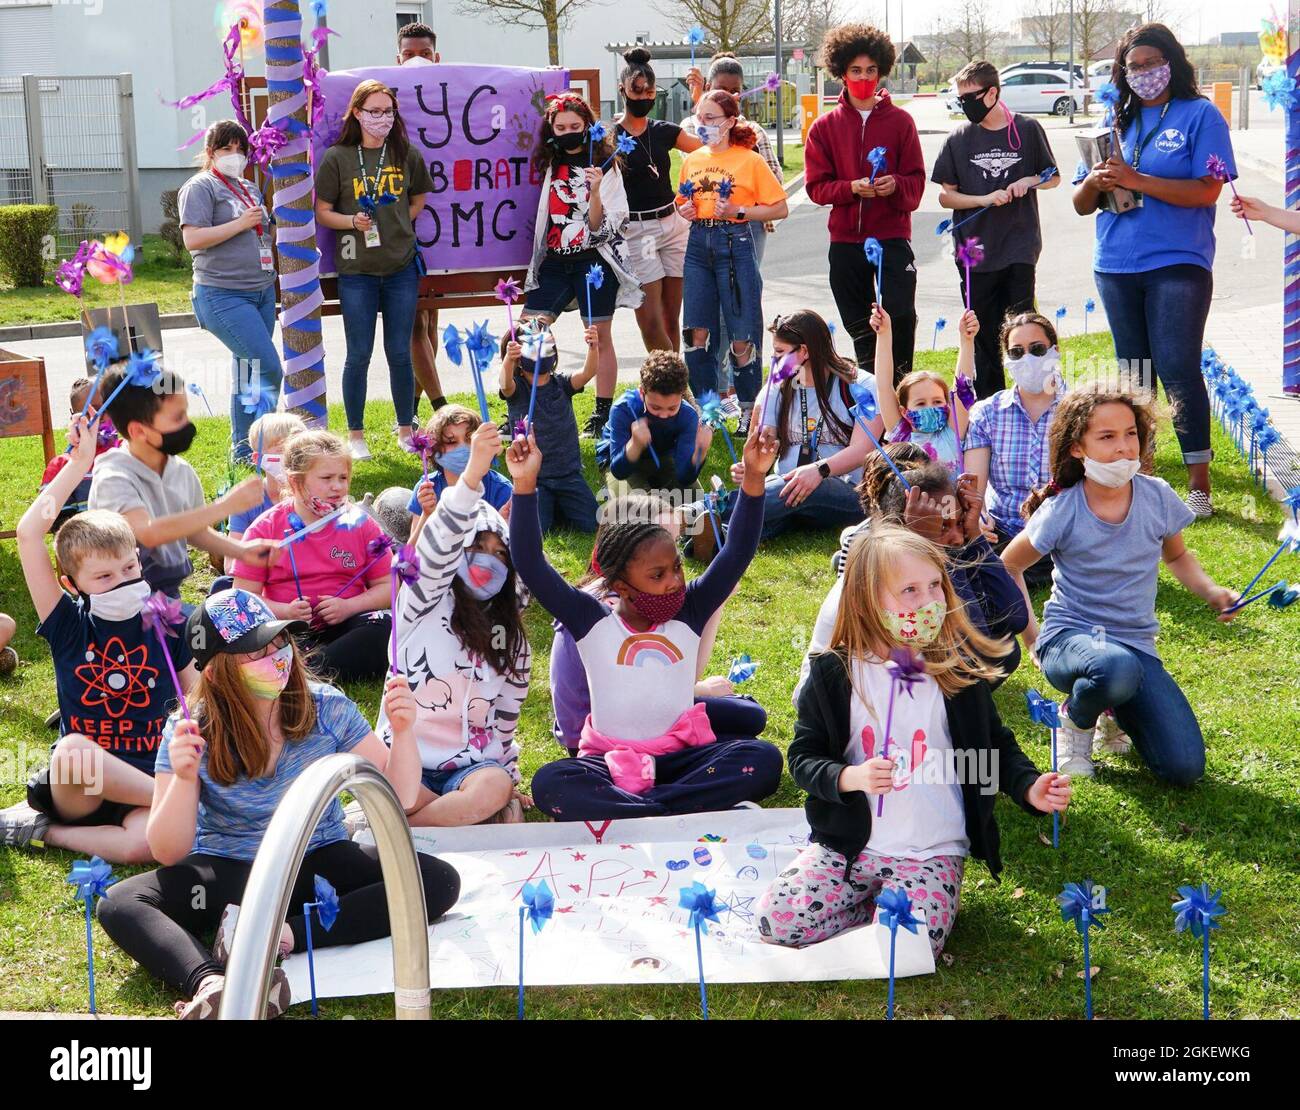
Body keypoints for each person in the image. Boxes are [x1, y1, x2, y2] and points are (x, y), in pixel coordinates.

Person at [94, 589, 460, 1019]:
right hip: (230, 871)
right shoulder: (188, 729)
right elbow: (168, 850)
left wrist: (402, 732)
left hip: (318, 860)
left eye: (277, 642)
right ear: (215, 673)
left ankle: (283, 936)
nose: (276, 657)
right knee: (119, 902)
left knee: (435, 881)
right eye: (255, 652)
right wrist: (185, 777)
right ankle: (210, 982)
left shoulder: (325, 706)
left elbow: (399, 797)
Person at [755, 523, 1070, 952]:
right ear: (867, 600)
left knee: (909, 944)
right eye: (909, 591)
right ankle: (867, 906)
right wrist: (852, 777)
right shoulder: (834, 672)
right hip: (849, 845)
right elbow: (804, 758)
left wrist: (1028, 786)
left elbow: (994, 745)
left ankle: (899, 905)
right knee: (777, 922)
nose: (929, 601)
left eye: (935, 586)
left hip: (929, 847)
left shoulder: (955, 669)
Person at [509, 421, 785, 819]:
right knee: (553, 783)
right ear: (619, 584)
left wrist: (755, 477)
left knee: (761, 758)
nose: (675, 581)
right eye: (657, 575)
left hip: (682, 757)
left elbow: (737, 552)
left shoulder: (690, 608)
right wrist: (524, 485)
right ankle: (675, 805)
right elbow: (531, 563)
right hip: (609, 762)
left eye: (676, 567)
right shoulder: (591, 619)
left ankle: (646, 808)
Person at [1001, 386, 1239, 783]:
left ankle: (1112, 710)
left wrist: (1212, 592)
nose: (1124, 447)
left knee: (1183, 768)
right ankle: (1074, 721)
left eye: (1131, 434)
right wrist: (1032, 638)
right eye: (1107, 437)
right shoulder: (1063, 508)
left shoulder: (1157, 495)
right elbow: (1008, 566)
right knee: (1114, 668)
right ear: (1077, 447)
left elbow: (1177, 556)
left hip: (1134, 646)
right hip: (1071, 640)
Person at [1, 417, 196, 860]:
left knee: (156, 843)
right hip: (83, 787)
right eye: (104, 577)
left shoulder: (169, 619)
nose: (122, 581)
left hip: (149, 773)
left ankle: (45, 832)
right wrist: (79, 462)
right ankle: (178, 800)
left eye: (129, 569)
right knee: (70, 751)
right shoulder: (68, 622)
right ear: (72, 584)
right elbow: (31, 533)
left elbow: (197, 695)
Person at [1072, 23, 1231, 518]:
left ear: (1172, 63)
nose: (1143, 74)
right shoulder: (1113, 119)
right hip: (1115, 264)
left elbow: (1208, 189)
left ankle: (1199, 490)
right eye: (1133, 67)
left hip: (1178, 261)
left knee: (1177, 367)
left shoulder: (1200, 114)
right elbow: (1080, 204)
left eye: (1151, 63)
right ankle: (1143, 475)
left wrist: (1137, 178)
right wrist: (1097, 182)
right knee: (1134, 374)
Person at [375, 420, 532, 826]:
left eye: (500, 554)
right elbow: (438, 540)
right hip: (404, 759)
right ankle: (443, 818)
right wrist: (473, 474)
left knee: (495, 789)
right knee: (406, 791)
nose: (487, 560)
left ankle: (406, 829)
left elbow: (504, 722)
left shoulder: (511, 641)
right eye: (476, 547)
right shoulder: (419, 602)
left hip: (468, 771)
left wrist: (509, 777)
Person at [796, 445, 1028, 703]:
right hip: (840, 699)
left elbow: (1016, 617)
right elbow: (965, 649)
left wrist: (974, 536)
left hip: (901, 681)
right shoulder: (880, 565)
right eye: (941, 526)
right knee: (973, 664)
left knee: (1005, 649)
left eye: (959, 522)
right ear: (905, 525)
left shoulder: (951, 543)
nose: (955, 537)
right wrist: (931, 549)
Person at [549, 491, 764, 755]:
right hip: (604, 740)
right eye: (662, 540)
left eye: (674, 542)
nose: (669, 551)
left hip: (596, 726)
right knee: (746, 729)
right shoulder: (617, 610)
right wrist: (702, 689)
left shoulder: (617, 592)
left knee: (749, 715)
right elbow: (673, 679)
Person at [315, 79, 433, 460]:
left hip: (401, 268)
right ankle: (356, 434)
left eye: (388, 111)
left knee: (400, 351)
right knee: (359, 353)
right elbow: (322, 211)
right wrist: (352, 223)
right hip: (357, 271)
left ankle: (404, 428)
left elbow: (419, 198)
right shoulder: (338, 157)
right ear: (357, 113)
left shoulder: (405, 153)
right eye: (374, 111)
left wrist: (399, 221)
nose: (382, 118)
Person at [89, 364, 277, 599]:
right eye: (178, 417)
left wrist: (242, 551)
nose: (187, 424)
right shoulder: (113, 475)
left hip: (167, 595)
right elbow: (148, 533)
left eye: (185, 412)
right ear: (138, 431)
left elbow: (194, 530)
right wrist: (225, 506)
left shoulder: (180, 470)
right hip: (119, 602)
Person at [932, 61, 1060, 399]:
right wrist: (984, 197)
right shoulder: (958, 138)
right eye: (960, 99)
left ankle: (1033, 399)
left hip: (1019, 247)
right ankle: (991, 407)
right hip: (974, 254)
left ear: (992, 93)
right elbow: (946, 195)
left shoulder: (1028, 130)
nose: (965, 105)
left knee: (1024, 332)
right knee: (984, 336)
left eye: (970, 97)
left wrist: (1028, 180)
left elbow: (1052, 177)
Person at [805, 23, 925, 379]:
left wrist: (895, 185)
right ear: (841, 72)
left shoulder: (901, 122)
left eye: (871, 70)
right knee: (859, 324)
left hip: (892, 237)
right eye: (856, 70)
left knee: (900, 317)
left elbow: (916, 185)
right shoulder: (824, 128)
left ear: (882, 71)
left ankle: (904, 392)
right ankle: (872, 389)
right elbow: (816, 187)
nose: (864, 77)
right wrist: (851, 188)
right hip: (845, 241)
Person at [523, 91, 642, 440]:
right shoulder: (547, 164)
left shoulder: (607, 166)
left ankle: (602, 413)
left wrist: (594, 192)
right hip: (556, 262)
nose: (568, 132)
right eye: (561, 127)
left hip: (594, 260)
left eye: (575, 126)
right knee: (529, 331)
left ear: (588, 127)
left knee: (598, 337)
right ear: (551, 129)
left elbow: (601, 229)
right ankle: (524, 406)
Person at [232, 430, 393, 683]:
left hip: (346, 627)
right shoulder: (265, 529)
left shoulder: (363, 525)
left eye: (343, 477)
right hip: (285, 629)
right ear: (295, 482)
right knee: (243, 631)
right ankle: (305, 669)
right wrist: (285, 611)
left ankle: (304, 674)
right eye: (327, 478)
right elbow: (243, 597)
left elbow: (388, 586)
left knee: (386, 625)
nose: (338, 486)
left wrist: (349, 606)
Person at [677, 90, 789, 423]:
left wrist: (741, 211)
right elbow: (682, 199)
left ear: (729, 121)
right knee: (696, 331)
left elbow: (779, 206)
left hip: (735, 242)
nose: (703, 124)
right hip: (699, 241)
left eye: (710, 118)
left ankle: (747, 410)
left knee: (742, 334)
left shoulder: (749, 159)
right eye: (699, 117)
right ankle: (707, 409)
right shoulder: (692, 160)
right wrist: (682, 209)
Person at [723, 309, 877, 546]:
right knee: (777, 512)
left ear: (804, 351)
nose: (774, 362)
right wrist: (751, 468)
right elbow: (764, 439)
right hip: (788, 487)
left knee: (801, 486)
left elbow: (863, 449)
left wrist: (818, 471)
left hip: (850, 491)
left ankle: (694, 514)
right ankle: (714, 535)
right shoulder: (778, 384)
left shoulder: (861, 385)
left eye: (780, 353)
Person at [180, 119, 282, 461]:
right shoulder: (201, 187)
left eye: (241, 149)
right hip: (222, 293)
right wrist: (241, 223)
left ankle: (243, 451)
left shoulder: (249, 188)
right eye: (227, 148)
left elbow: (261, 235)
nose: (235, 155)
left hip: (261, 290)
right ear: (211, 153)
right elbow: (193, 239)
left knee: (248, 370)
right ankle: (267, 446)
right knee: (268, 367)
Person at [964, 312, 1065, 588]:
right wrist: (980, 518)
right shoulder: (987, 413)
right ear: (1007, 361)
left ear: (1055, 351)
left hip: (1065, 531)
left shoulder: (1081, 409)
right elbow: (974, 487)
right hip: (1004, 532)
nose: (1027, 358)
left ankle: (1005, 573)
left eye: (1037, 349)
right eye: (1017, 352)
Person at [615, 48, 701, 353]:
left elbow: (709, 149)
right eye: (636, 90)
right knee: (650, 322)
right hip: (640, 232)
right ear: (622, 89)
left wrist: (700, 99)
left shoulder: (664, 131)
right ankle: (671, 380)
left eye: (650, 91)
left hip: (674, 225)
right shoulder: (611, 138)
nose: (643, 97)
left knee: (670, 319)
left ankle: (672, 391)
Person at [499, 321, 600, 533]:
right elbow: (505, 384)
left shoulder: (562, 384)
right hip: (535, 479)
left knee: (592, 524)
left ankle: (561, 508)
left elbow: (588, 372)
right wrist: (509, 359)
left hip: (568, 474)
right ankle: (552, 509)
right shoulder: (518, 391)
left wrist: (593, 347)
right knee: (537, 529)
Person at [396, 21, 447, 417]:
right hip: (402, 231)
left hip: (447, 229)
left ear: (437, 58)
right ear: (398, 60)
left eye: (424, 55)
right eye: (409, 55)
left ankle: (412, 409)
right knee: (415, 325)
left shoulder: (452, 97)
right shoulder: (387, 104)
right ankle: (439, 407)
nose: (416, 61)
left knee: (429, 324)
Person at [872, 304, 974, 476]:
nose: (930, 407)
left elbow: (963, 385)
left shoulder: (952, 432)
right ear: (904, 411)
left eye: (937, 401)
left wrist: (967, 341)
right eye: (920, 403)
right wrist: (884, 333)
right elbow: (883, 386)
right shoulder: (901, 436)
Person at [595, 350, 709, 499]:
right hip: (621, 459)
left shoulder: (688, 415)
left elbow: (684, 478)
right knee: (638, 510)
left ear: (682, 396)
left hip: (663, 456)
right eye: (655, 407)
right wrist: (635, 444)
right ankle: (615, 488)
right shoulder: (623, 409)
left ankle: (655, 488)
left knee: (696, 501)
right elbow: (619, 470)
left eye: (672, 408)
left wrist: (700, 451)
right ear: (642, 393)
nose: (663, 415)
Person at [408, 404, 513, 544]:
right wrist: (427, 515)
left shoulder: (502, 490)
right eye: (451, 441)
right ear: (432, 450)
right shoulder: (426, 489)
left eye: (470, 439)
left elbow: (514, 551)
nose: (464, 447)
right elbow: (411, 555)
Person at [223, 411, 307, 568]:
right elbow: (230, 565)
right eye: (281, 450)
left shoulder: (312, 497)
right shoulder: (246, 501)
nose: (289, 458)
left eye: (297, 451)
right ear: (258, 459)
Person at [40, 376, 122, 531]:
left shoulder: (130, 452)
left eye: (109, 407)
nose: (101, 416)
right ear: (74, 415)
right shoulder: (60, 466)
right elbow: (47, 518)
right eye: (93, 411)